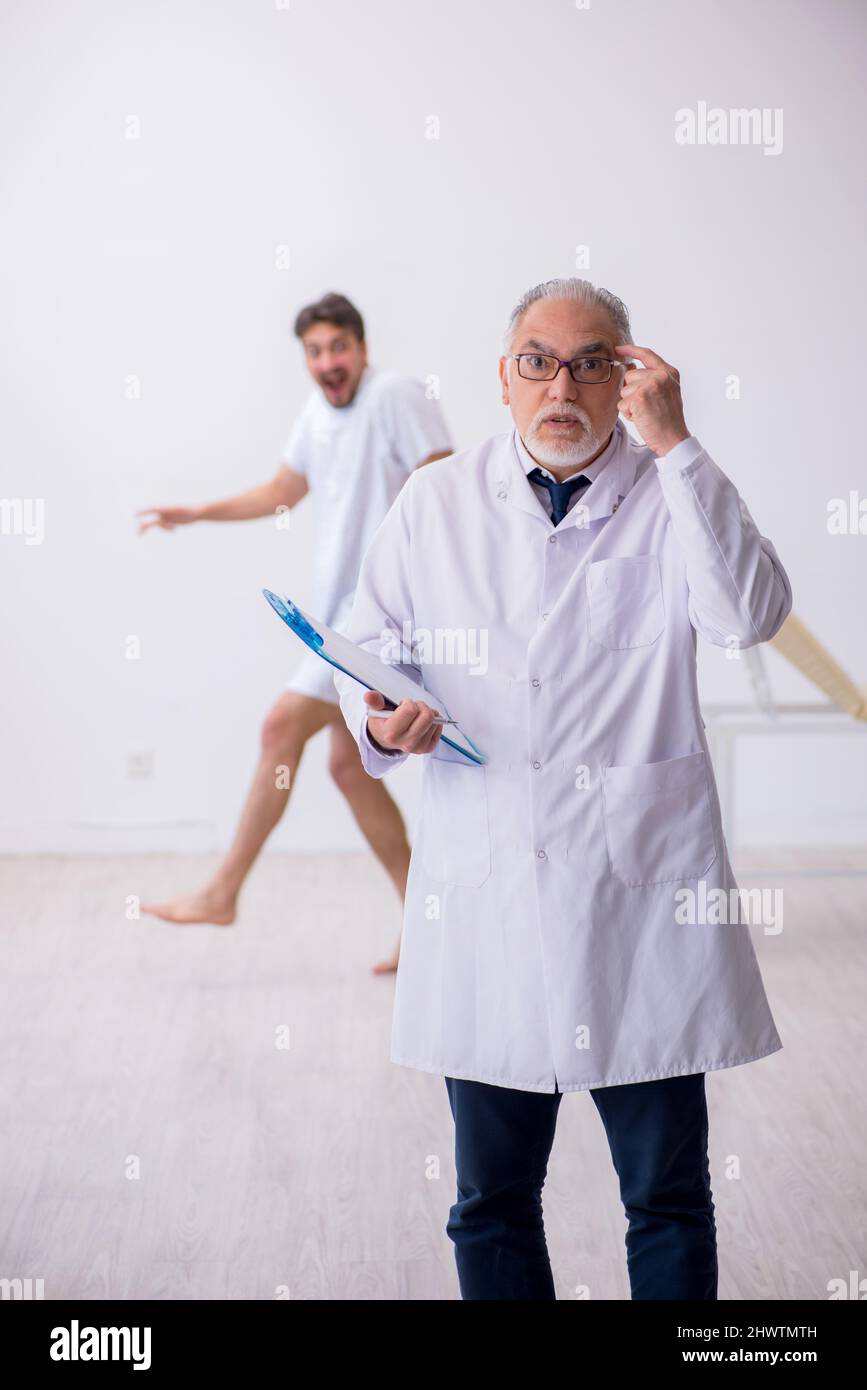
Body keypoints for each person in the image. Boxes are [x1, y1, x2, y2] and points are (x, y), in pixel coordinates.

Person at [333, 277, 792, 1298]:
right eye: (539, 359)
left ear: (631, 378)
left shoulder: (674, 492)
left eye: (595, 361)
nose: (563, 382)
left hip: (644, 897)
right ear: (504, 379)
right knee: (491, 1201)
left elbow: (748, 615)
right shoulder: (438, 502)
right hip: (487, 887)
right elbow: (368, 645)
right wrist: (382, 717)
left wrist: (677, 446)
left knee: (666, 1197)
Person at [137, 293, 454, 972]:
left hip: (383, 620)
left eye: (338, 346)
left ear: (362, 349)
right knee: (350, 769)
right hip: (337, 620)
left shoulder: (393, 395)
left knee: (280, 727)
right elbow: (281, 491)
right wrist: (195, 513)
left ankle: (222, 892)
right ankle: (431, 921)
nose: (327, 362)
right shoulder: (317, 414)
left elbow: (444, 481)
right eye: (314, 351)